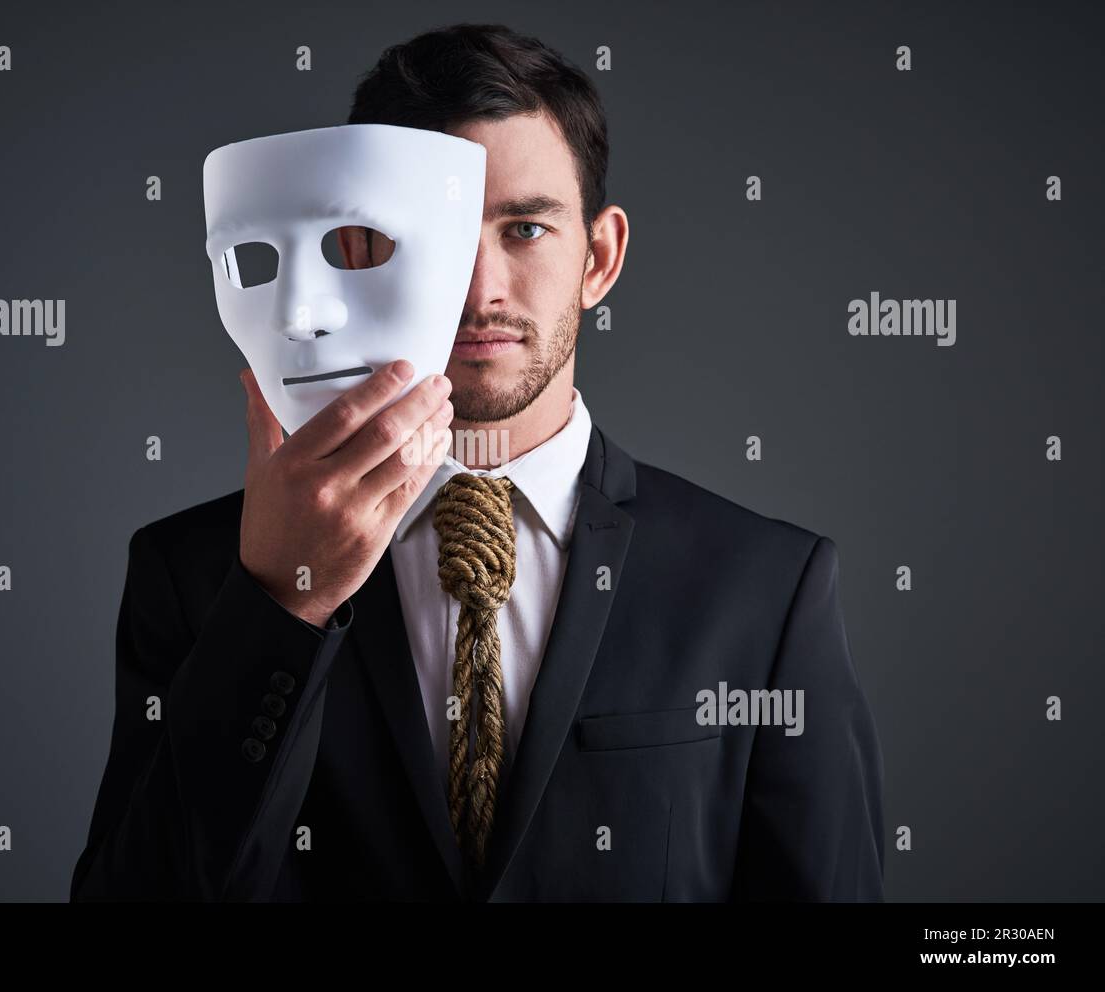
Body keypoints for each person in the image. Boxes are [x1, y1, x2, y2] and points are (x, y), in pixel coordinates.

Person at [70, 22, 884, 902]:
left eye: (526, 229)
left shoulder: (763, 588)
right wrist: (285, 604)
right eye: (428, 238)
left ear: (599, 259)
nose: (478, 289)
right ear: (350, 252)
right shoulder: (200, 577)